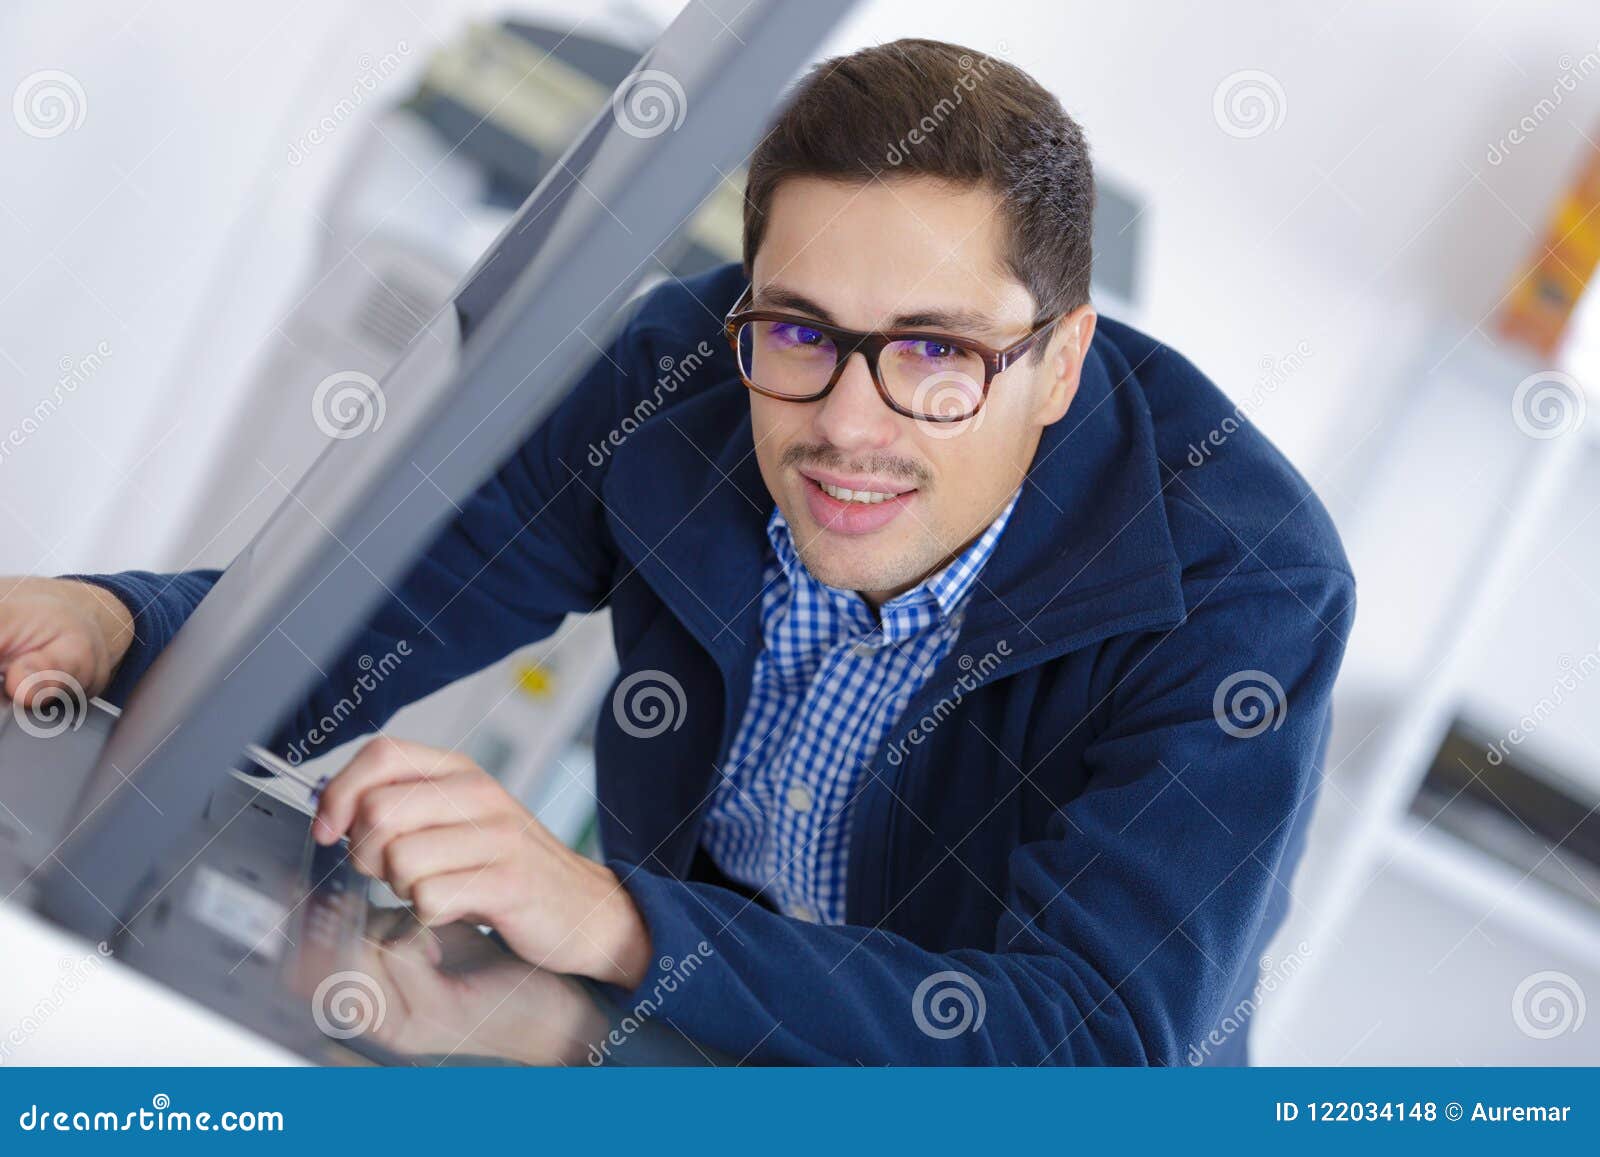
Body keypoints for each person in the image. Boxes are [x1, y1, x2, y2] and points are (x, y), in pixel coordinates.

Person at [0, 39, 1354, 1065]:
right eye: (799, 330)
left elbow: (1088, 1051)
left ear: (1059, 359)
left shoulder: (1247, 580)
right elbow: (357, 627)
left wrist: (616, 920)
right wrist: (114, 621)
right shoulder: (682, 371)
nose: (844, 422)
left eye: (937, 354)